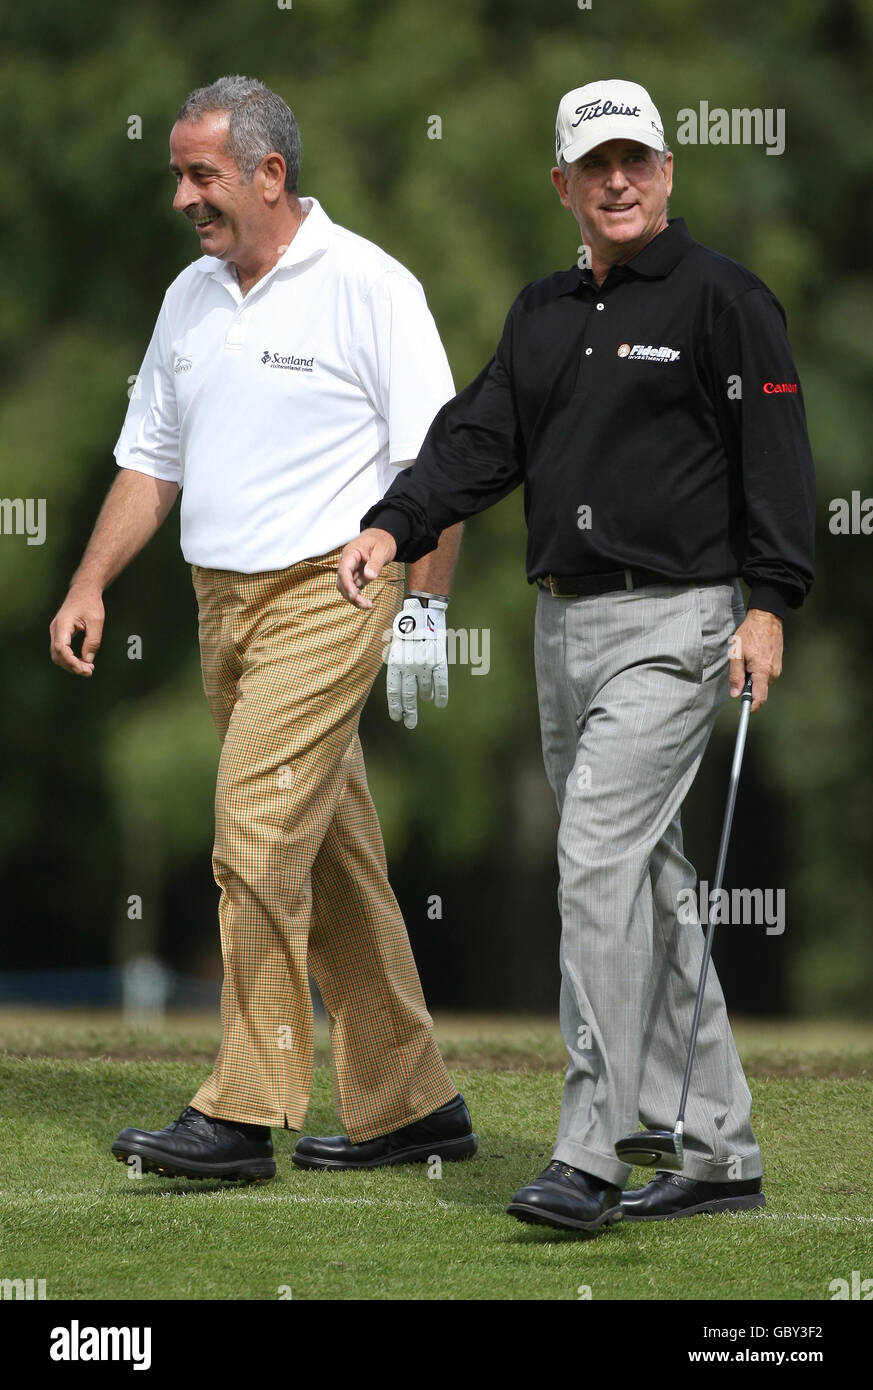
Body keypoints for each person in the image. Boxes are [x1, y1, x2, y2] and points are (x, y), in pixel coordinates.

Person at [338, 78, 815, 1235]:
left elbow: (777, 455)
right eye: (595, 165)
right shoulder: (543, 314)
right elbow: (475, 443)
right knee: (647, 880)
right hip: (564, 628)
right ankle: (717, 1146)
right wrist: (394, 525)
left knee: (595, 857)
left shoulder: (723, 300)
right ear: (563, 184)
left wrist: (772, 600)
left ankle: (592, 1148)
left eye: (636, 161)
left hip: (683, 623)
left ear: (667, 172)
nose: (618, 181)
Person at [49, 75, 476, 1182]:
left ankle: (239, 1116)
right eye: (179, 176)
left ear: (270, 174)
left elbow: (438, 467)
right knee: (331, 854)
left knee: (251, 829)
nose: (185, 196)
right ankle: (410, 1102)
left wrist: (424, 612)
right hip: (218, 604)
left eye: (203, 174)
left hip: (332, 593)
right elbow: (151, 461)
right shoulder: (189, 297)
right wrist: (89, 582)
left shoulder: (371, 285)